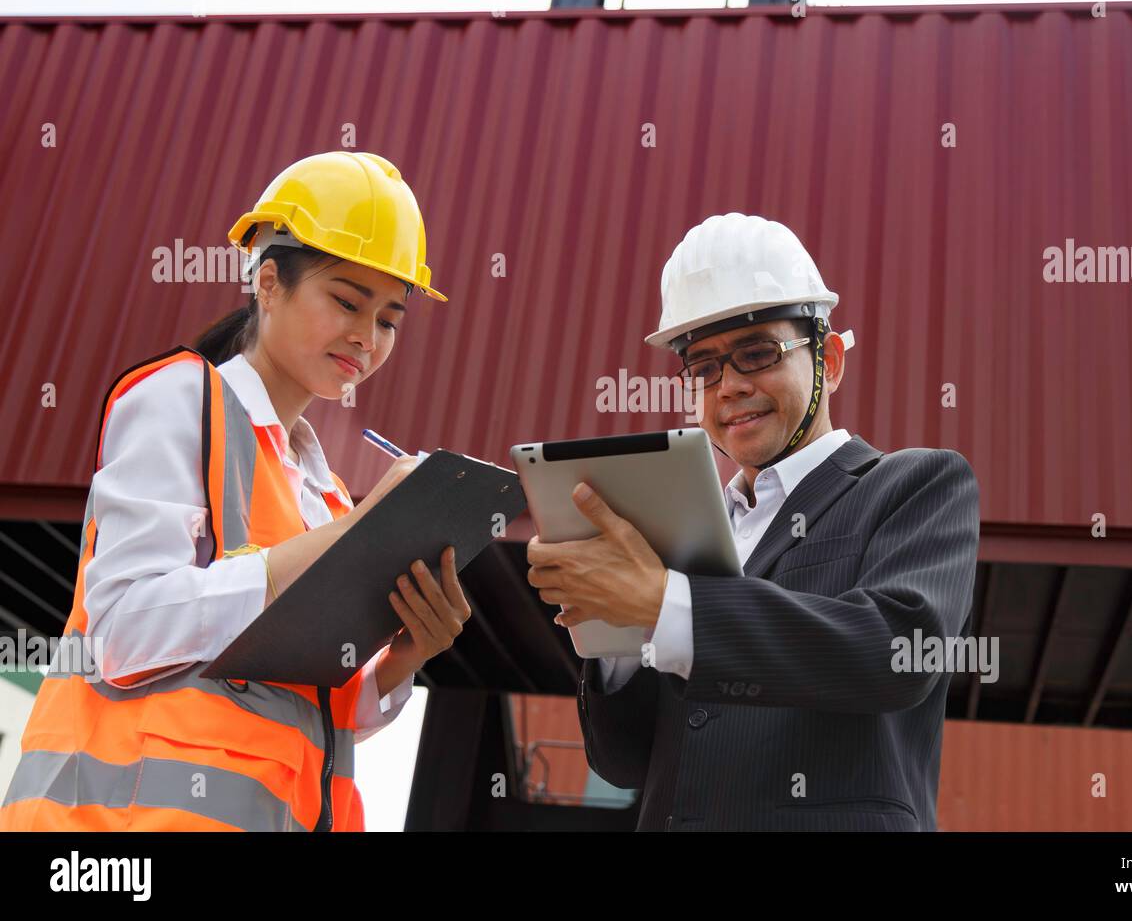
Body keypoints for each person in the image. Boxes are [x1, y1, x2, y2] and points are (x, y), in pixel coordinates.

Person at [0, 151, 471, 832]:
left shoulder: (325, 495)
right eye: (347, 301)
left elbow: (308, 709)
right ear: (270, 283)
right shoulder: (181, 399)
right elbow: (120, 633)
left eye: (390, 319)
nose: (367, 338)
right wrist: (342, 543)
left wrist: (407, 656)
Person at [527, 213, 981, 831]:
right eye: (704, 368)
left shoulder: (915, 485)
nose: (730, 387)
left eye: (758, 353)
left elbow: (898, 651)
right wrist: (617, 635)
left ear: (831, 359)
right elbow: (625, 762)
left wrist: (665, 605)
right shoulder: (674, 542)